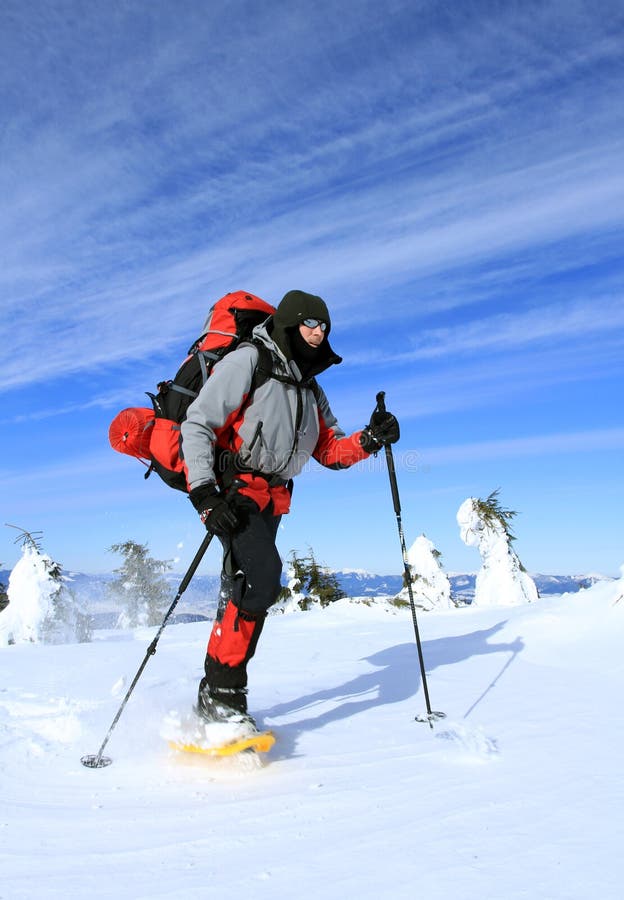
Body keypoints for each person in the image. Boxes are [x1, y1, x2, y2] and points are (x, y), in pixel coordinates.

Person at [180, 289, 399, 730]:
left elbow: (330, 451)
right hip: (234, 490)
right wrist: (205, 494)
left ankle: (220, 692)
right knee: (261, 579)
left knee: (249, 590)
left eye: (325, 327)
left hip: (274, 498)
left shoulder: (309, 387)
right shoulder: (250, 361)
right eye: (311, 324)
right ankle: (221, 693)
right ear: (291, 322)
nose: (320, 333)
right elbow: (198, 422)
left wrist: (371, 439)